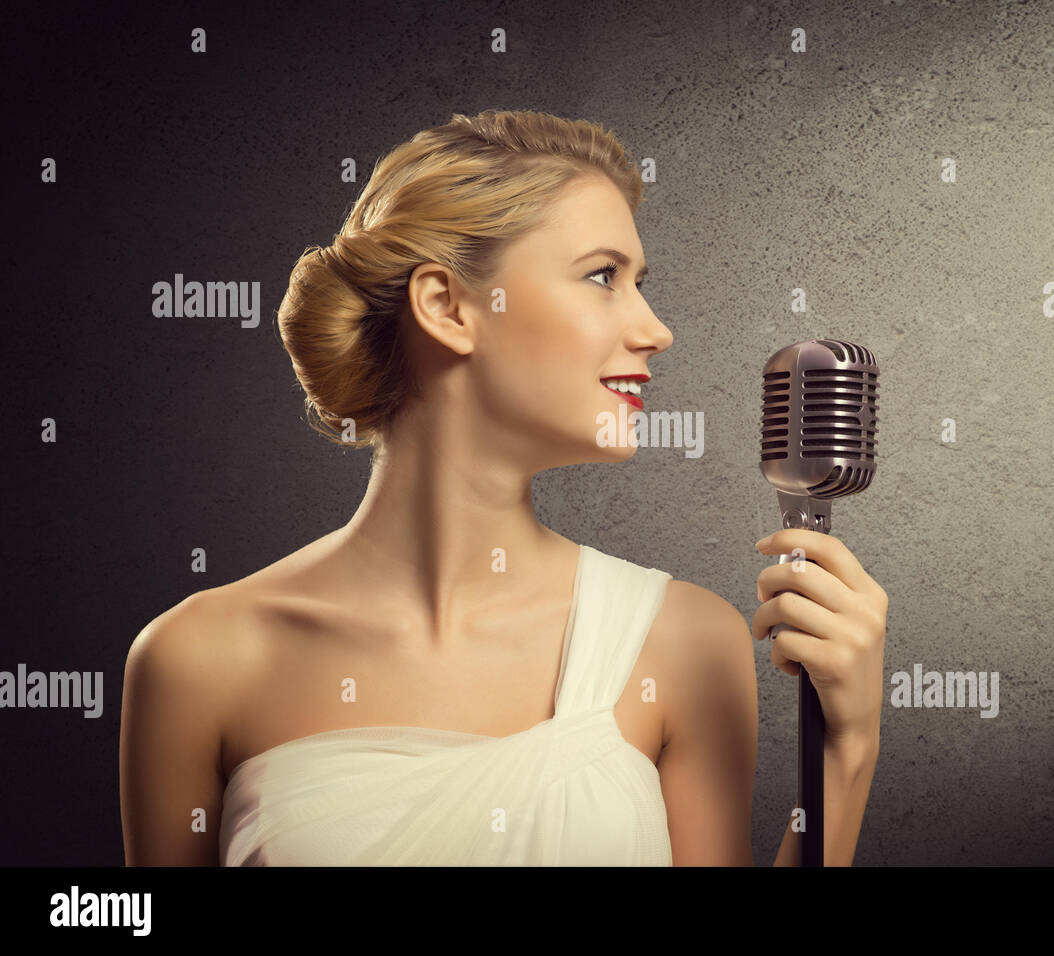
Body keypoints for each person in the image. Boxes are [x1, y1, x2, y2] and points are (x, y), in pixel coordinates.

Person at [119, 109, 888, 866]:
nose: (656, 330)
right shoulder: (198, 659)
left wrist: (843, 755)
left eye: (639, 282)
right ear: (448, 306)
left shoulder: (685, 644)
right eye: (602, 277)